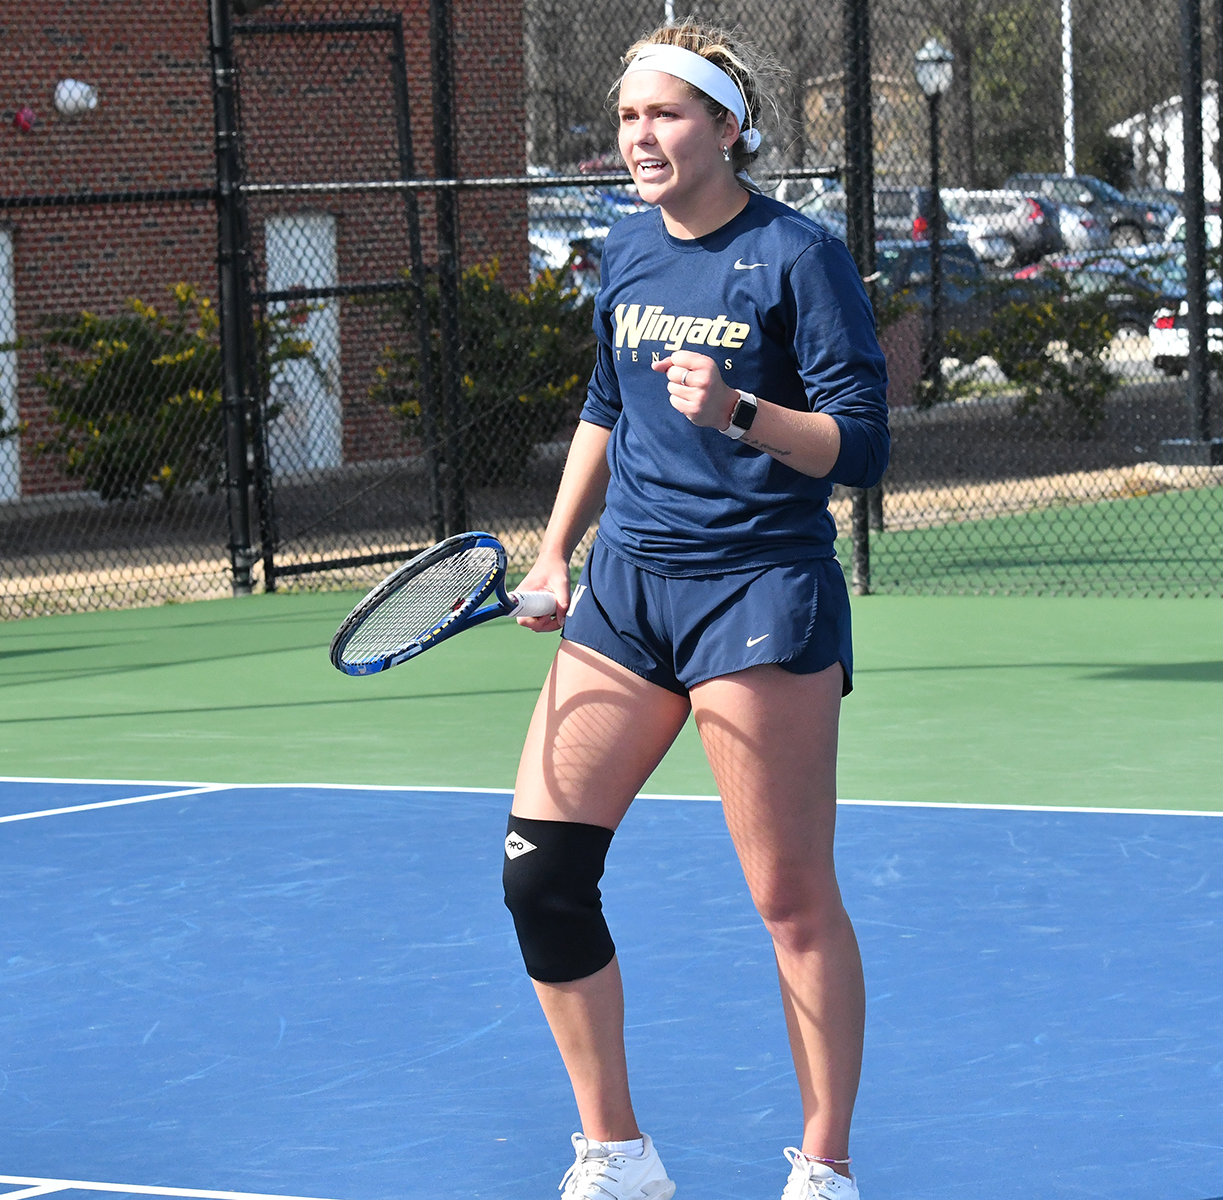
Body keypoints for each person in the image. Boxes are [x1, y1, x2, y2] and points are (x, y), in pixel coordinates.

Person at [500, 19, 889, 1200]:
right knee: (540, 874)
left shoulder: (797, 258)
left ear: (728, 127)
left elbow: (859, 447)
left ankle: (824, 1169)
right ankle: (617, 1154)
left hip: (758, 595)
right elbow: (604, 408)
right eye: (628, 117)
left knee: (789, 899)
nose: (641, 137)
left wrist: (739, 412)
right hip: (624, 592)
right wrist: (556, 553)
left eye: (666, 114)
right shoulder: (623, 249)